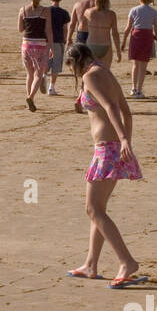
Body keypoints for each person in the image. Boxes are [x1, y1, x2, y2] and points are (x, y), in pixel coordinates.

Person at [64, 44, 142, 286]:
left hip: (106, 149)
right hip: (110, 148)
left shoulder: (90, 75)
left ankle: (127, 261)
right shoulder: (105, 72)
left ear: (77, 62)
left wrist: (123, 140)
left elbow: (111, 108)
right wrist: (124, 143)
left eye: (71, 68)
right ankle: (90, 264)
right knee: (98, 209)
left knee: (93, 209)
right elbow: (126, 112)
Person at [18, 0, 53, 111]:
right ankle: (31, 97)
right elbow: (48, 30)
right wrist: (51, 47)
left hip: (26, 44)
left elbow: (20, 29)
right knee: (39, 74)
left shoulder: (23, 10)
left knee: (30, 74)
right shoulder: (46, 11)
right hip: (40, 45)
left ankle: (29, 98)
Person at [121, 0, 157, 98]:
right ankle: (139, 89)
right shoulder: (153, 12)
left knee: (135, 64)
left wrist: (123, 42)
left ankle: (133, 88)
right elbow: (156, 30)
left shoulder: (134, 10)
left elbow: (128, 28)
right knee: (143, 65)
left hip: (136, 36)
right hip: (147, 37)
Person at [83, 0, 121, 69]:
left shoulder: (88, 12)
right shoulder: (111, 14)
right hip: (105, 45)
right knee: (105, 72)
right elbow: (115, 34)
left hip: (91, 44)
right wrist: (118, 51)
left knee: (90, 72)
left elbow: (82, 28)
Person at [46, 0, 70, 96]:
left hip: (46, 40)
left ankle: (43, 77)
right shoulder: (64, 13)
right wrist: (65, 39)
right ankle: (51, 87)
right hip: (58, 40)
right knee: (56, 65)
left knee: (46, 62)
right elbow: (65, 28)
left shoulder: (46, 11)